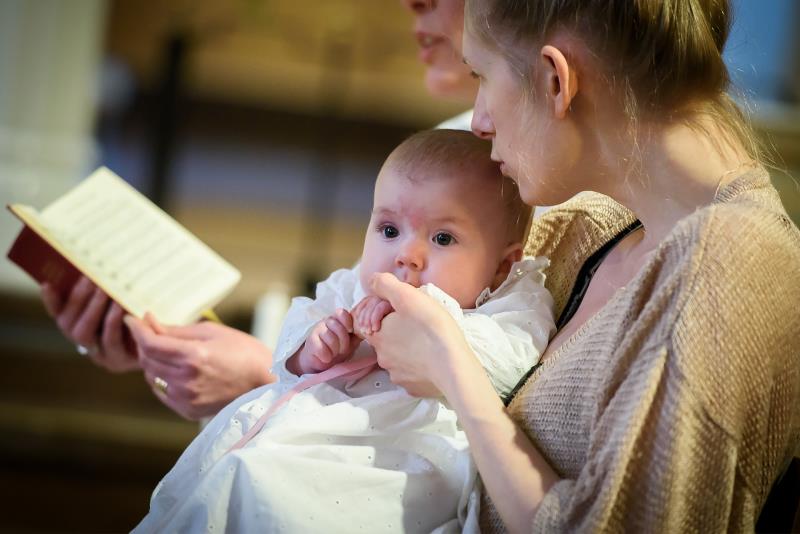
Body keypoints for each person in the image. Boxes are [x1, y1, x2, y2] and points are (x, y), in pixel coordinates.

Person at [359, 0, 800, 531]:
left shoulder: (730, 262)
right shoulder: (586, 228)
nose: (478, 121)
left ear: (555, 80)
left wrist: (450, 368)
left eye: (482, 75)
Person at [38, 0, 478, 421]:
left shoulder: (500, 180)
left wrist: (257, 376)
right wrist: (166, 344)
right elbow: (341, 315)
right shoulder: (440, 145)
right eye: (387, 229)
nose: (413, 3)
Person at [132, 129, 555, 532]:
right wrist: (313, 346)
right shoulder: (351, 288)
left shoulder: (511, 304)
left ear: (502, 266)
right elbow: (294, 334)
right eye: (389, 230)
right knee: (232, 477)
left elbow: (509, 372)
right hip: (303, 439)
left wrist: (428, 316)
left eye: (443, 238)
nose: (406, 254)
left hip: (396, 465)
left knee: (261, 486)